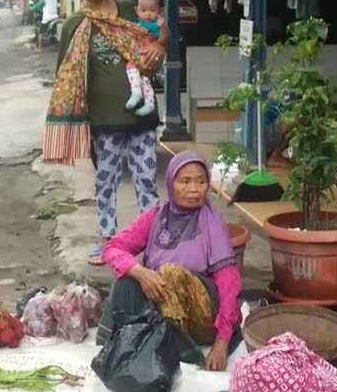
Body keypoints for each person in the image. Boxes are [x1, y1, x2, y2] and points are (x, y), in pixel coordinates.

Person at [41, 0, 166, 266]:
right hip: (103, 120)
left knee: (146, 178)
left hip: (142, 116)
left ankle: (152, 240)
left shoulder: (129, 10)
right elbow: (66, 76)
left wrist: (157, 47)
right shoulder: (75, 25)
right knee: (106, 180)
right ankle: (107, 240)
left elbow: (155, 37)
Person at [99, 151, 242, 371]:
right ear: (170, 182)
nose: (194, 189)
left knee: (170, 273)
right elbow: (112, 248)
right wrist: (139, 271)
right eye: (185, 181)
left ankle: (179, 350)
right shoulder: (158, 216)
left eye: (201, 181)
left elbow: (229, 284)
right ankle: (125, 342)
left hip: (203, 317)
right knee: (128, 279)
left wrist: (222, 342)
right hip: (163, 306)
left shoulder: (212, 224)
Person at [125, 0, 165, 117]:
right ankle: (149, 102)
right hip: (139, 52)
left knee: (132, 67)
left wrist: (162, 28)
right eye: (143, 10)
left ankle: (136, 92)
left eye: (152, 10)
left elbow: (163, 41)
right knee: (144, 79)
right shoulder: (135, 24)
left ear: (160, 10)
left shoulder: (158, 25)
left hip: (148, 55)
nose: (148, 14)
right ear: (136, 10)